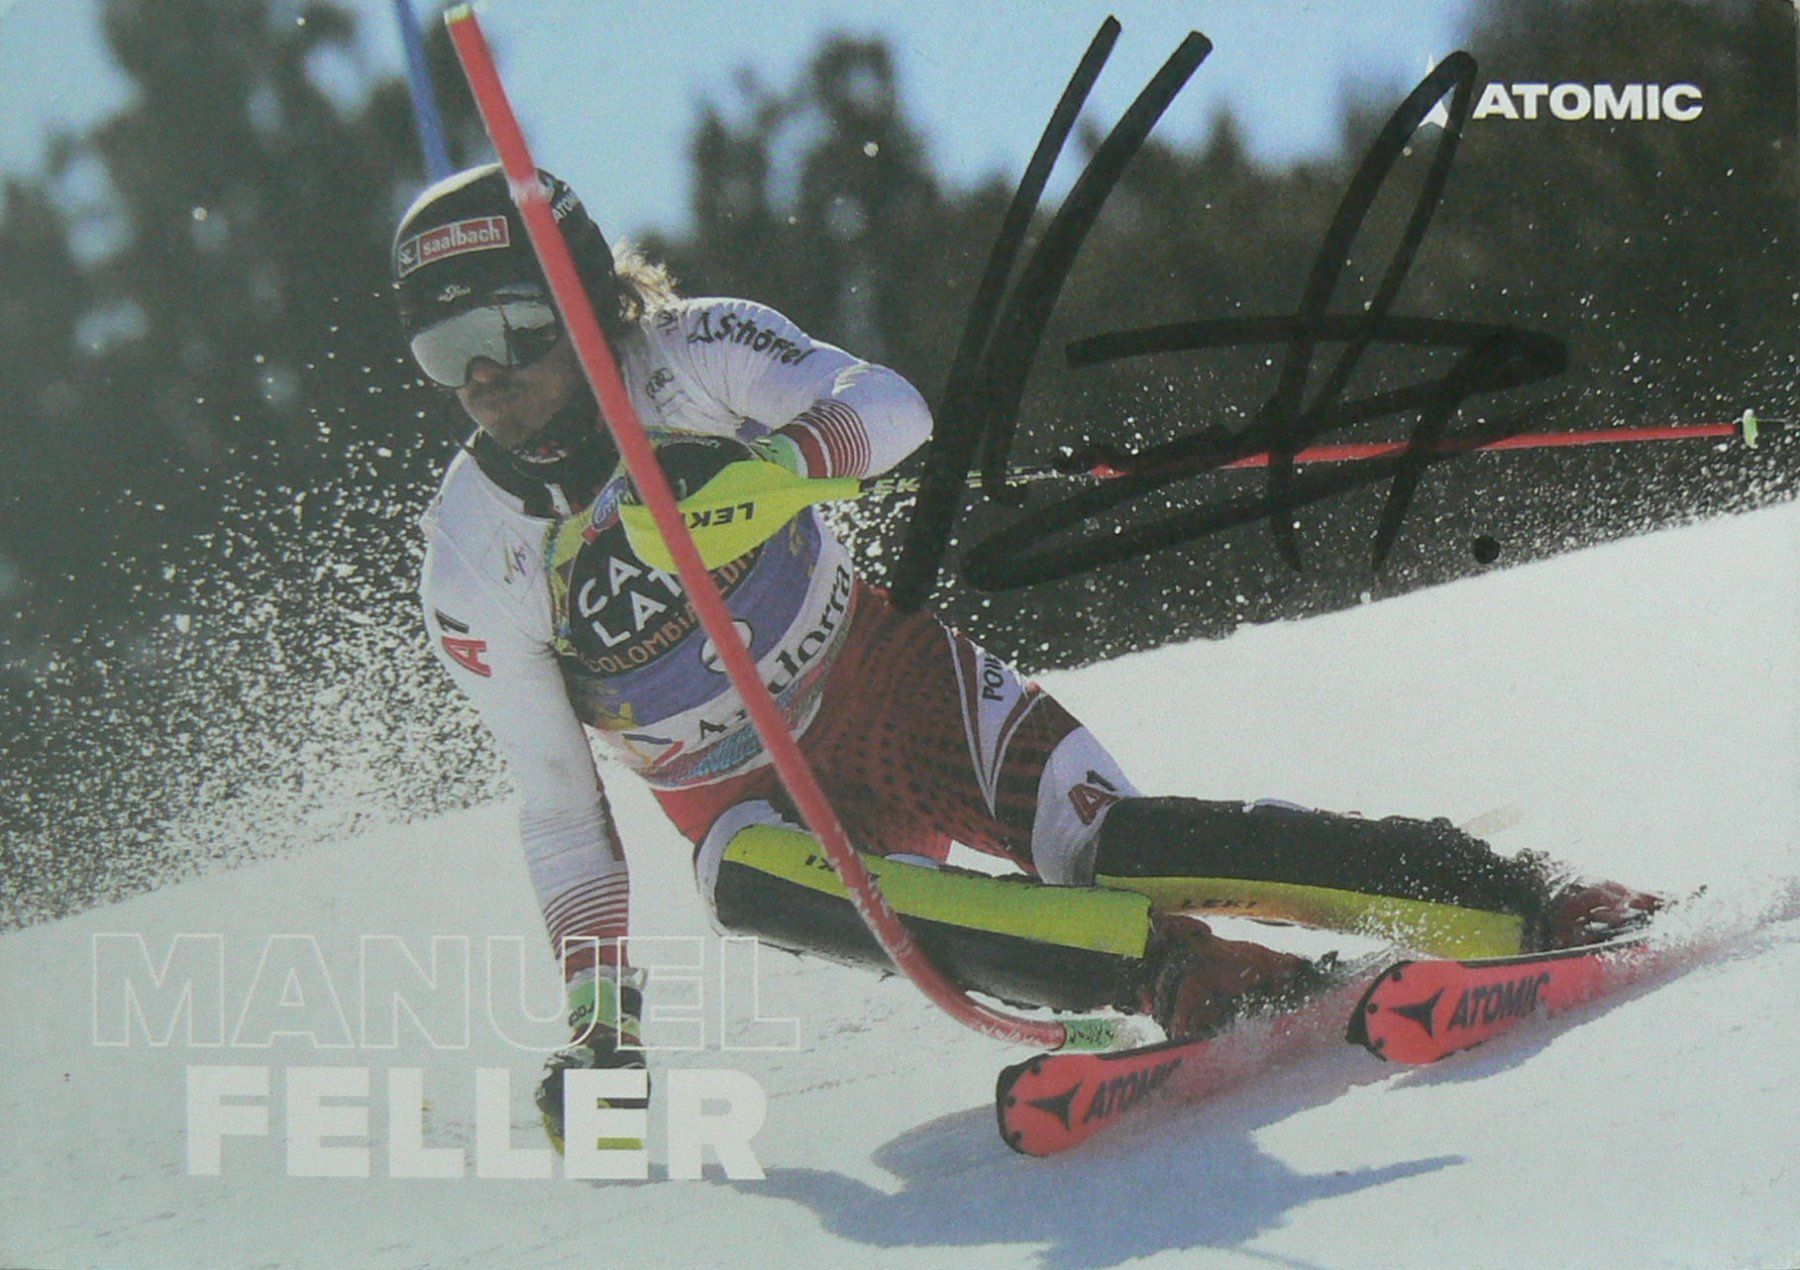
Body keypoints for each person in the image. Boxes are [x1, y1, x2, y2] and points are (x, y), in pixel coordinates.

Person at [392, 164, 1662, 1151]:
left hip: (892, 686)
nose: (486, 383)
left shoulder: (693, 352)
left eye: (506, 330)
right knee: (743, 879)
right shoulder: (471, 554)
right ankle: (1182, 975)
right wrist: (601, 1027)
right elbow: (563, 809)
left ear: (583, 298)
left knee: (1116, 842)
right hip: (754, 796)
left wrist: (787, 469)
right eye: (447, 358)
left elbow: (895, 406)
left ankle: (1515, 895)